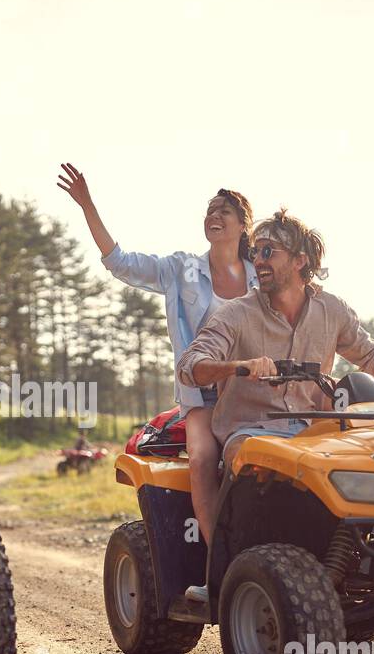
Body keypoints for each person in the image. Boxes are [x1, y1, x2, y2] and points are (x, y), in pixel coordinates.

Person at [176, 208, 374, 599]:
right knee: (254, 463)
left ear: (301, 261)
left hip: (315, 433)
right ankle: (225, 572)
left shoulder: (331, 310)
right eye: (256, 251)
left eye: (269, 251)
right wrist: (239, 367)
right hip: (252, 431)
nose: (259, 260)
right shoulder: (235, 314)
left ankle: (371, 565)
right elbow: (191, 366)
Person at [58, 162, 257, 549]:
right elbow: (119, 262)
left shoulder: (259, 276)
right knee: (201, 458)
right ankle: (220, 560)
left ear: (242, 224)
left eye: (224, 211)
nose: (214, 215)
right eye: (210, 210)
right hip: (202, 397)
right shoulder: (181, 269)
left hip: (252, 394)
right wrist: (87, 206)